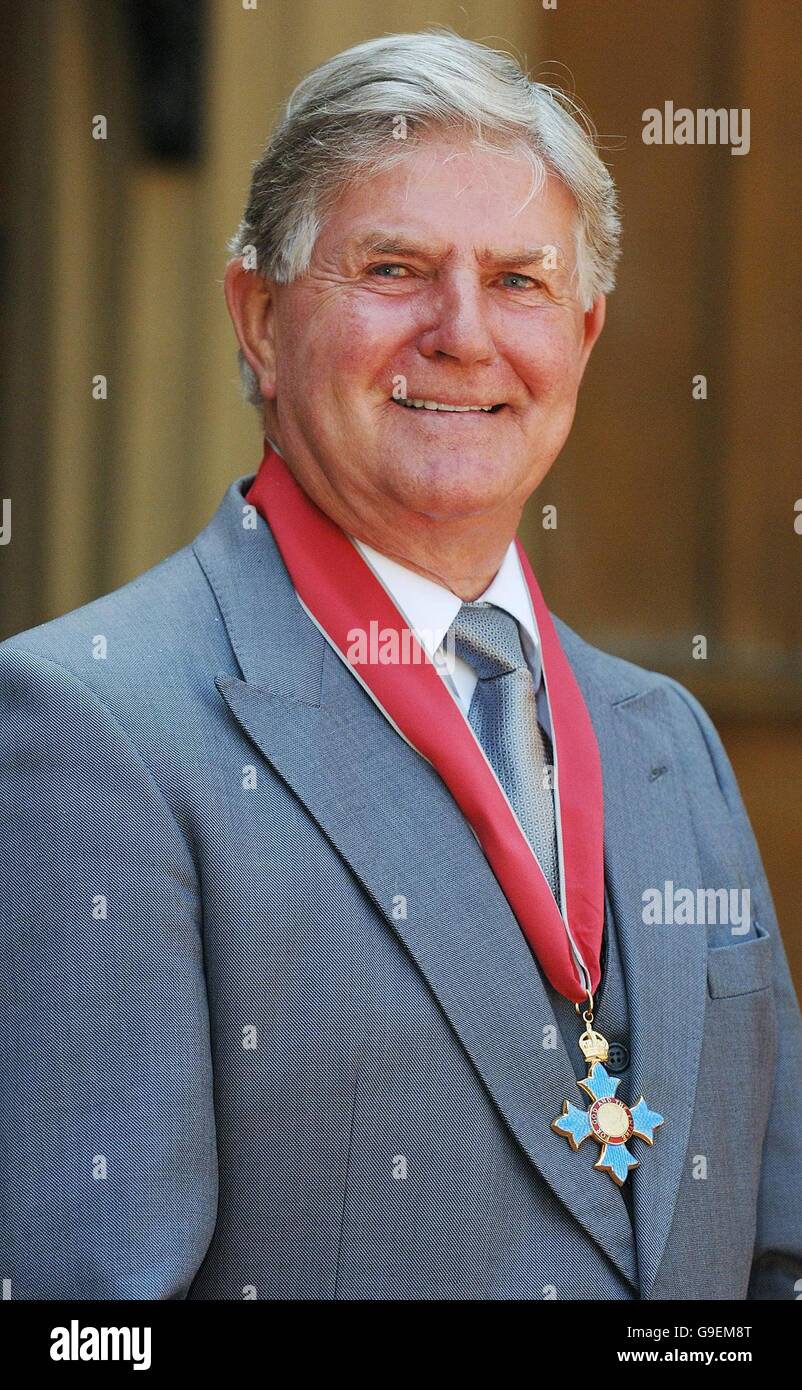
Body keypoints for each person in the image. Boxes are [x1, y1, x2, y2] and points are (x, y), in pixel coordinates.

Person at [1, 29, 800, 1301]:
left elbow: (772, 1256)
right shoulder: (92, 728)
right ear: (259, 318)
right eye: (395, 268)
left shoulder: (669, 737)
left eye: (520, 283)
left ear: (583, 336)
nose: (464, 335)